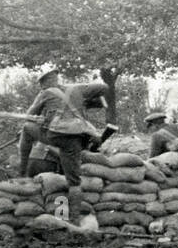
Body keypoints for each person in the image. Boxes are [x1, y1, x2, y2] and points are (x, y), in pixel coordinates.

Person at [17, 71, 116, 219]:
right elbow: (103, 89)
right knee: (69, 185)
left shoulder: (46, 95)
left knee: (41, 192)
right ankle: (71, 220)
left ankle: (22, 172)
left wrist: (41, 120)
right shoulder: (78, 96)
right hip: (58, 152)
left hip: (43, 151)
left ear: (44, 83)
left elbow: (29, 116)